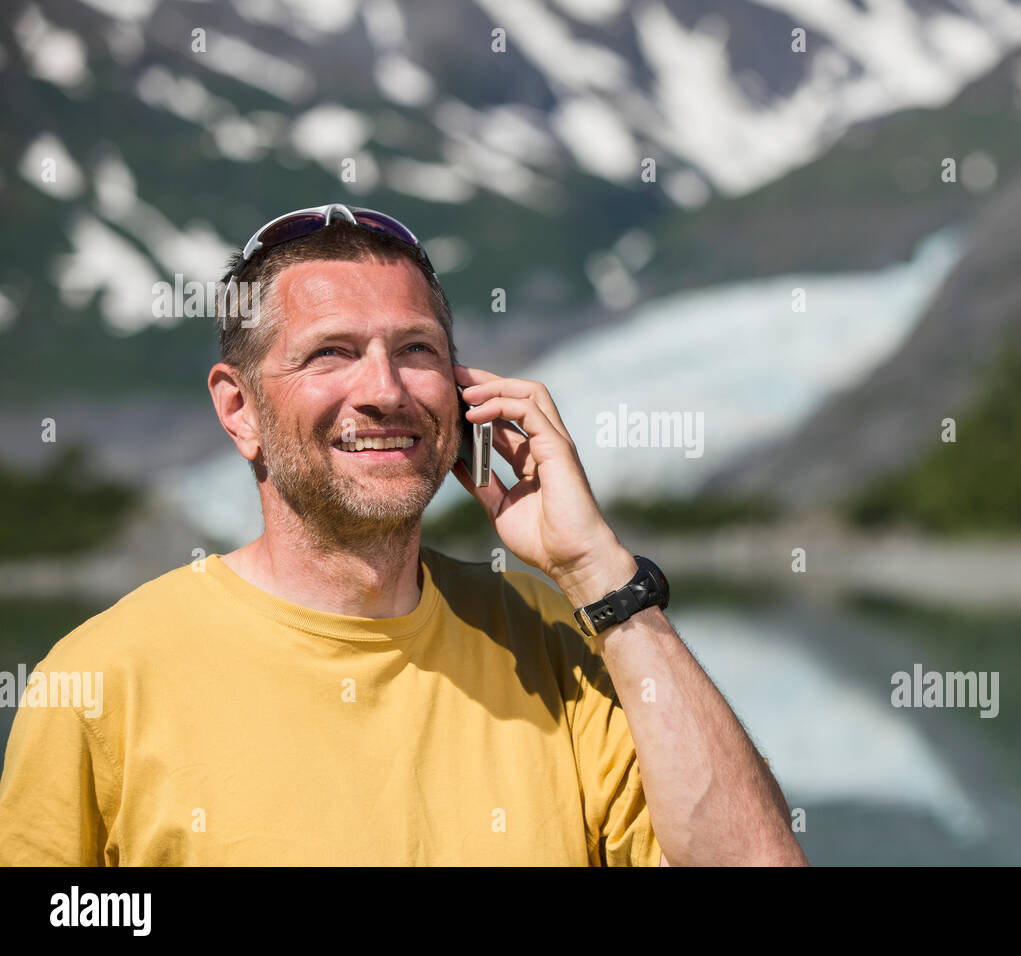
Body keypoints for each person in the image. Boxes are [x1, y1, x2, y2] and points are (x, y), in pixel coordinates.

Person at [0, 204, 807, 866]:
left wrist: (601, 574)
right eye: (332, 353)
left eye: (415, 350)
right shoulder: (98, 680)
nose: (384, 390)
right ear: (239, 409)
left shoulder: (558, 640)